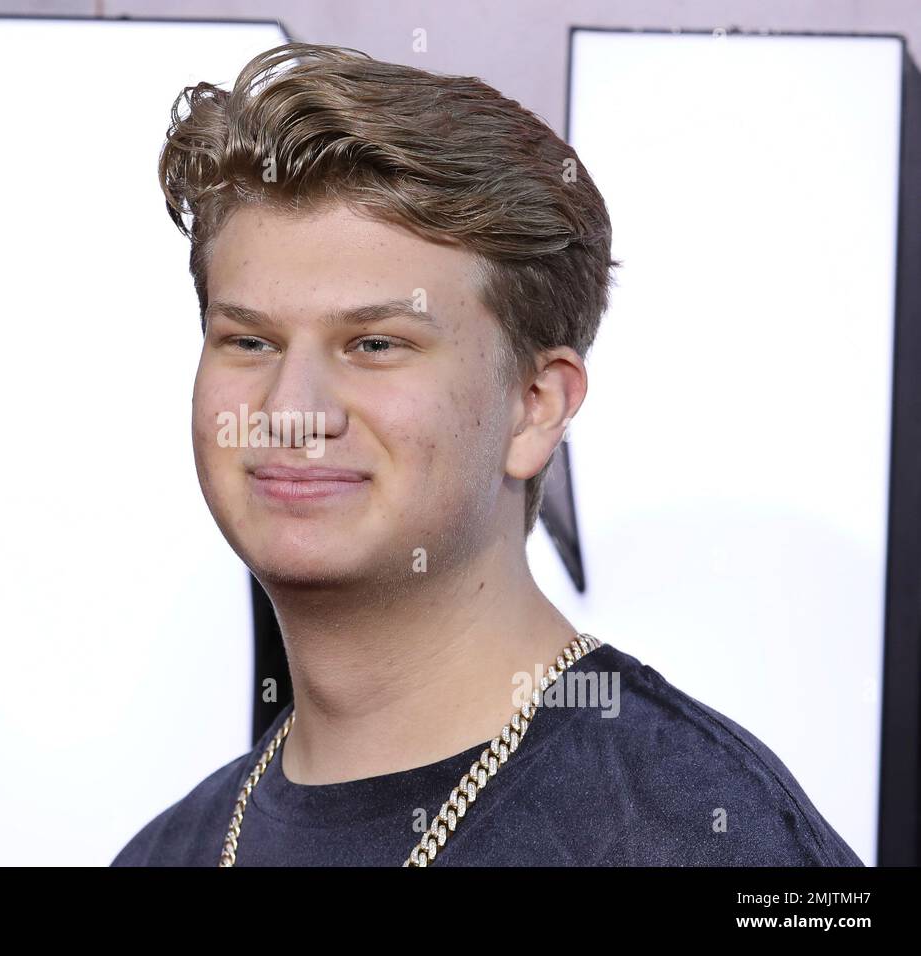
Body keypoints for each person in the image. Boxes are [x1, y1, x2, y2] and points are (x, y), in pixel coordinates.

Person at [112, 41, 862, 867]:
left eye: (375, 343)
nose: (292, 410)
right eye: (249, 339)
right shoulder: (170, 850)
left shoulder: (706, 836)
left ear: (535, 408)